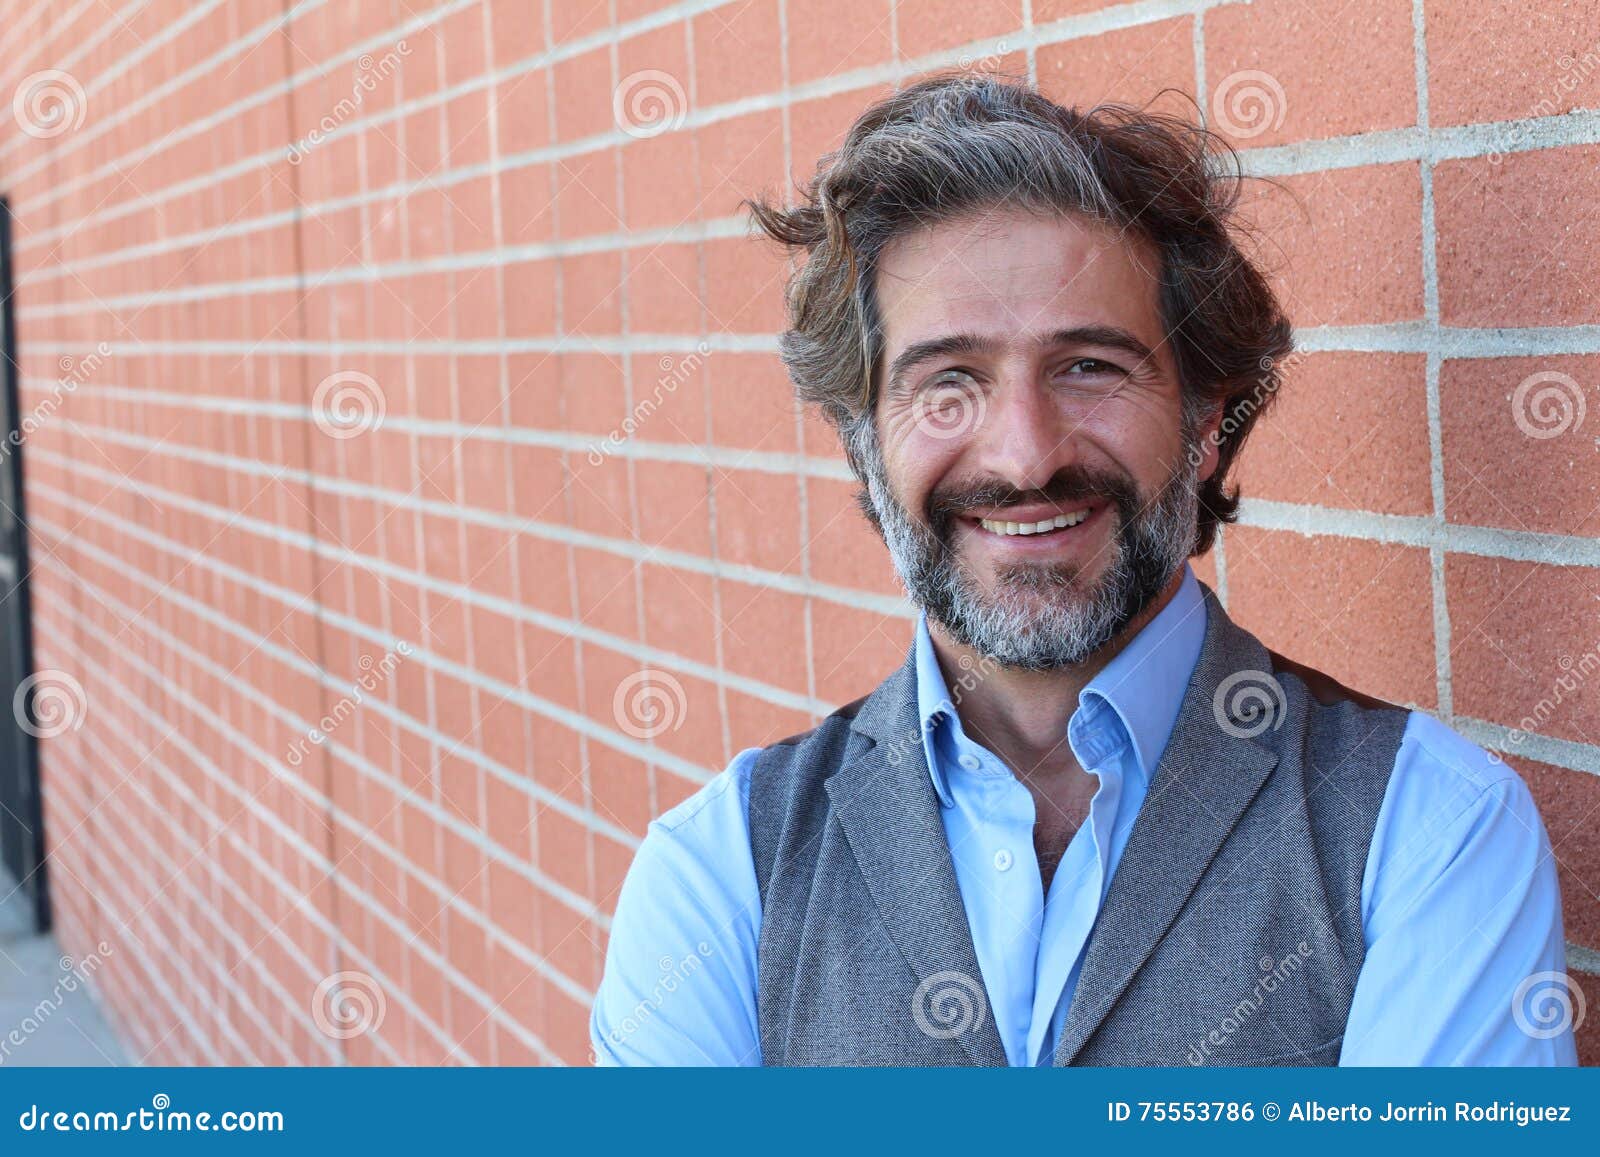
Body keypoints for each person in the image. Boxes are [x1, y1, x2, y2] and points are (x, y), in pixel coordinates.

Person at [590, 72, 1577, 1066]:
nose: (1023, 456)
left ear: (1202, 423)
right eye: (948, 382)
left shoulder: (1429, 835)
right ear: (862, 443)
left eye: (1088, 367)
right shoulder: (718, 877)